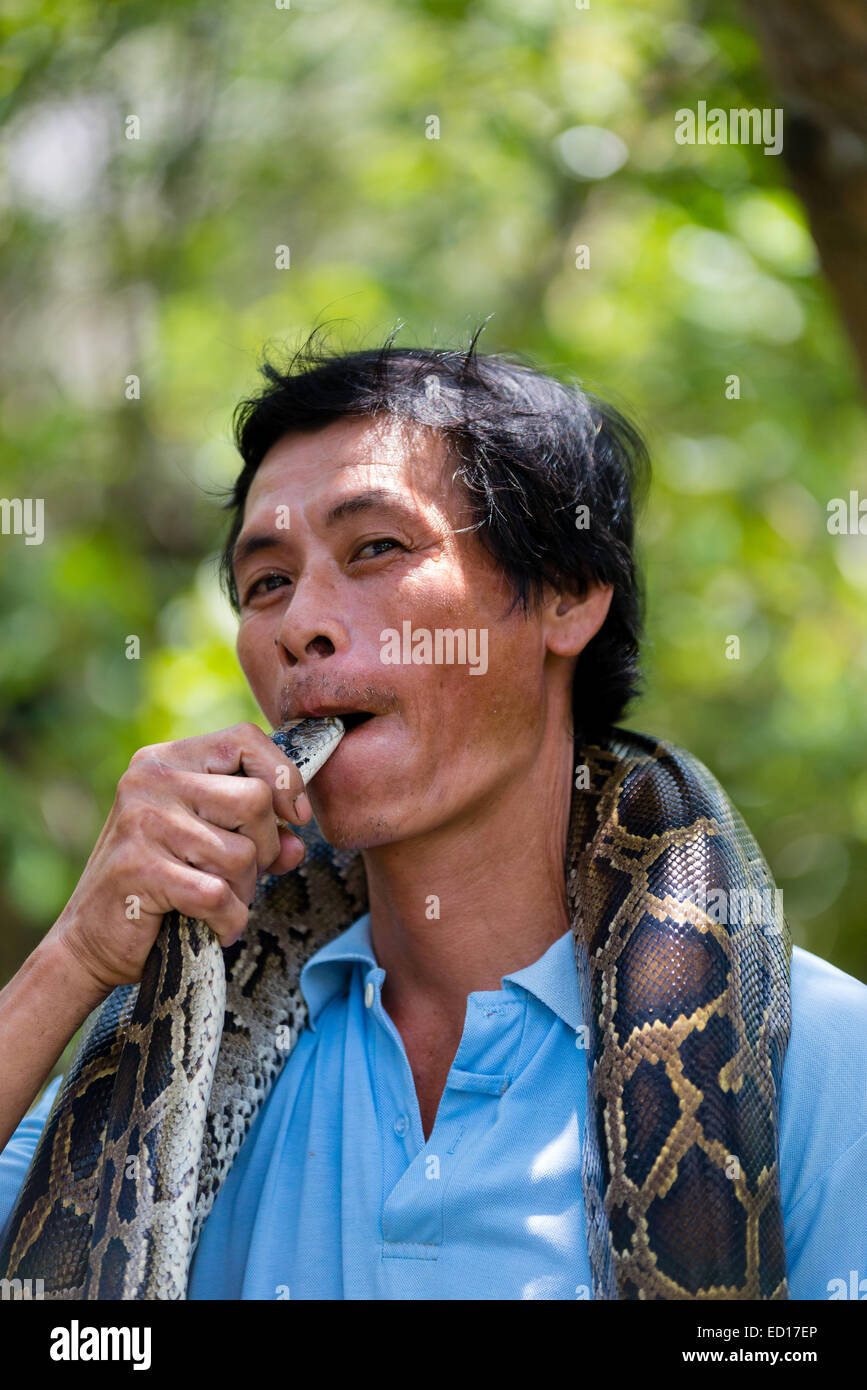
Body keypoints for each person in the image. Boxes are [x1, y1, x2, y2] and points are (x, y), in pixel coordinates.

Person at [1, 332, 865, 1300]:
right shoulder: (171, 1026)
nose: (298, 625)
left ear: (568, 597)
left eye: (377, 547)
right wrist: (77, 955)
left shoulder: (823, 1054)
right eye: (266, 582)